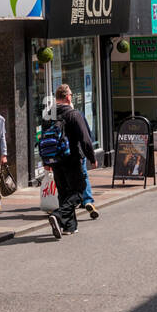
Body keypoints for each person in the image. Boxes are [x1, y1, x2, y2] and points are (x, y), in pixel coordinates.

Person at [44, 84, 97, 236]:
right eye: (71, 95)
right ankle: (58, 215)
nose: (72, 97)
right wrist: (92, 158)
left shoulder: (48, 115)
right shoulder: (73, 114)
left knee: (63, 192)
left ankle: (69, 227)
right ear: (67, 97)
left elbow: (43, 139)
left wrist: (46, 162)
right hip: (72, 158)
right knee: (79, 191)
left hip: (54, 159)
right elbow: (85, 139)